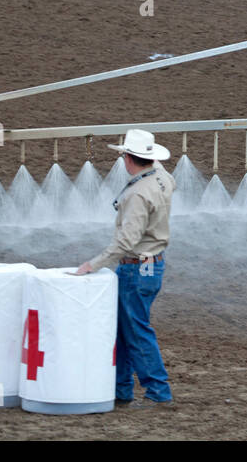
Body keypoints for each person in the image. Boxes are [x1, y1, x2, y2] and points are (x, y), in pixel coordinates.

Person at [75, 128, 175, 408]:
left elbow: (125, 242)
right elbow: (164, 173)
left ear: (128, 159)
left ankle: (158, 392)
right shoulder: (162, 178)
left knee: (136, 329)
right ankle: (121, 390)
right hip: (152, 265)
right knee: (125, 328)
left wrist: (92, 265)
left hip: (135, 268)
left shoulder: (137, 195)